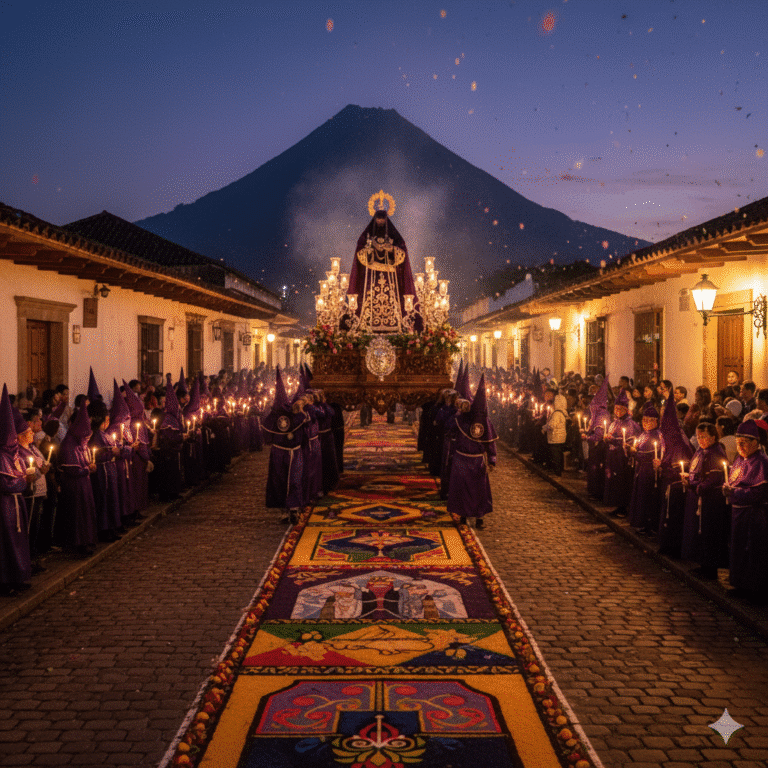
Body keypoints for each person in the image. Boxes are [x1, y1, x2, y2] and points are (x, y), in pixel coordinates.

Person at [347, 207, 420, 333]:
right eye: (378, 219)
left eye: (382, 219)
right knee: (370, 300)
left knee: (391, 299)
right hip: (371, 275)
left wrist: (391, 249)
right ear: (375, 219)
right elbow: (360, 249)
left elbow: (402, 250)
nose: (380, 222)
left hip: (390, 275)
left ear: (386, 220)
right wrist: (370, 249)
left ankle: (397, 323)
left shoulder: (394, 234)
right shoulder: (367, 234)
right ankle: (366, 323)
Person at [724, 419, 768, 598]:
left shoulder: (762, 462)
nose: (740, 446)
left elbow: (758, 493)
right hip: (738, 513)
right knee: (738, 548)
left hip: (753, 515)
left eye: (744, 443)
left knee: (752, 550)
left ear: (755, 443)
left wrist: (734, 492)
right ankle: (739, 583)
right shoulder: (741, 460)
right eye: (738, 443)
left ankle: (753, 589)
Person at [447, 374, 497, 530]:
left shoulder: (485, 423)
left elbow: (490, 442)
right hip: (462, 458)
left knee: (479, 490)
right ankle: (463, 515)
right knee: (462, 488)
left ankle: (479, 517)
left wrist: (492, 460)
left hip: (476, 461)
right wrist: (457, 413)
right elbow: (450, 430)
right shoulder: (461, 418)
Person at [681, 421, 729, 580]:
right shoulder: (701, 451)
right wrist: (689, 478)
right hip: (698, 497)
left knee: (709, 532)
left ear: (714, 437)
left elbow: (714, 478)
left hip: (710, 501)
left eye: (704, 437)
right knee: (698, 532)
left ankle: (710, 568)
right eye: (699, 436)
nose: (701, 440)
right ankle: (702, 563)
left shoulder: (715, 452)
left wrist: (698, 487)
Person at [0, 387, 33, 595]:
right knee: (7, 543)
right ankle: (6, 580)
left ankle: (20, 576)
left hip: (16, 504)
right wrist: (23, 481)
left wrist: (25, 478)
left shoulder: (15, 454)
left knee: (19, 541)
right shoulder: (2, 456)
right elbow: (6, 484)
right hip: (5, 506)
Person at [604, 390, 641, 517]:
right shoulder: (615, 422)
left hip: (622, 459)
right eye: (616, 408)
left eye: (621, 408)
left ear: (626, 409)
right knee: (614, 481)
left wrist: (613, 439)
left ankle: (624, 507)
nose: (618, 411)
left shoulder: (630, 424)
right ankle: (617, 505)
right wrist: (607, 439)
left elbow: (629, 441)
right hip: (613, 458)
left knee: (622, 482)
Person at [627, 405, 662, 534]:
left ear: (656, 422)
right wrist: (630, 449)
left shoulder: (657, 436)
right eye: (644, 420)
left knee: (647, 498)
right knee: (640, 496)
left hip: (649, 472)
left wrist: (635, 453)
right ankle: (641, 523)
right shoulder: (643, 434)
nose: (646, 423)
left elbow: (650, 454)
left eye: (650, 420)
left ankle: (649, 525)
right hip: (640, 471)